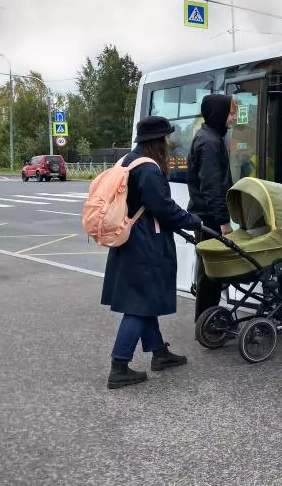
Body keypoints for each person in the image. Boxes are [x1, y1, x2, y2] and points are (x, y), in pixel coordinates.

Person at [101, 116, 202, 389]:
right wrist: (194, 221)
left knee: (144, 300)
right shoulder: (148, 169)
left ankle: (159, 353)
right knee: (139, 306)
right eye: (167, 138)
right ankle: (119, 365)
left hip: (130, 240)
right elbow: (164, 208)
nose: (169, 143)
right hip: (145, 245)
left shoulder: (127, 161)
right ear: (157, 141)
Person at [186, 93, 237, 320]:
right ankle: (208, 321)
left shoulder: (209, 137)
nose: (234, 118)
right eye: (231, 112)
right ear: (220, 113)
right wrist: (224, 222)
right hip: (209, 217)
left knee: (209, 271)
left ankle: (206, 320)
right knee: (211, 273)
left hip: (205, 215)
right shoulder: (209, 142)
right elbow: (212, 187)